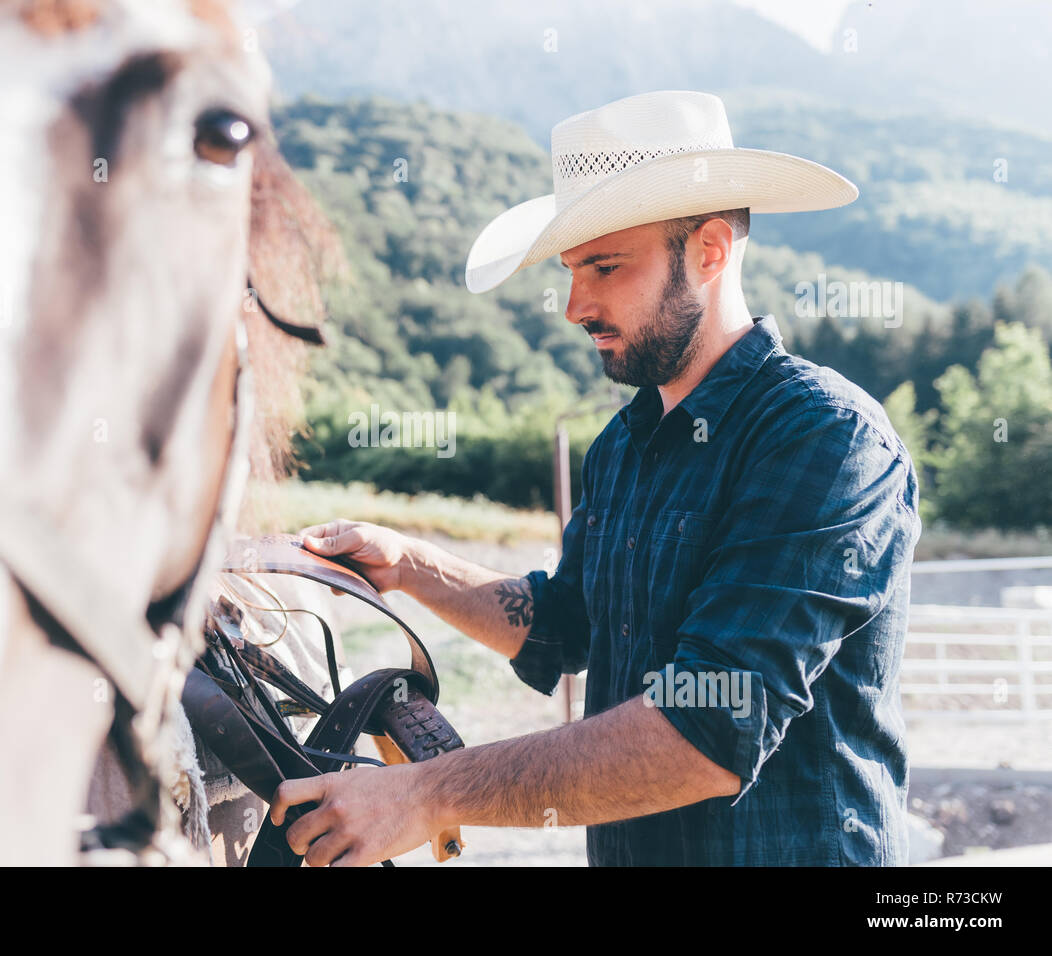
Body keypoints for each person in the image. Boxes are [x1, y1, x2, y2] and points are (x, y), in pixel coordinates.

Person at [270, 90, 921, 866]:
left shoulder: (823, 438)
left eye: (606, 267)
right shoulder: (622, 445)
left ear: (710, 250)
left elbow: (708, 732)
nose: (576, 305)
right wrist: (409, 566)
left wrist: (426, 792)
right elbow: (567, 626)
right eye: (573, 271)